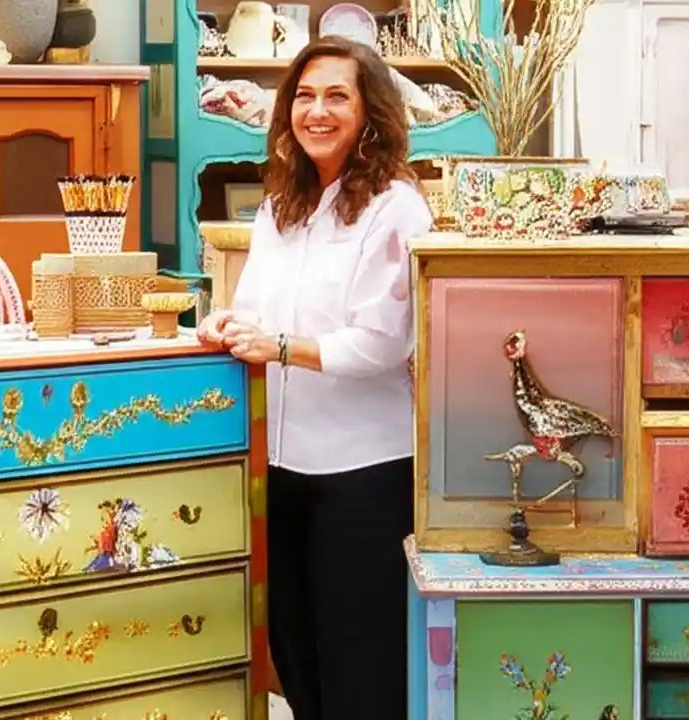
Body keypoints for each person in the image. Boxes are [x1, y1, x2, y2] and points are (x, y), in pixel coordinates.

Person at [196, 36, 432, 719]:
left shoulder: (395, 207)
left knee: (363, 670)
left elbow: (382, 343)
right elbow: (255, 311)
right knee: (298, 663)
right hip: (285, 471)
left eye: (337, 96)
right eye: (304, 95)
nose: (317, 111)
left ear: (371, 113)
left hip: (366, 476)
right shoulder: (281, 207)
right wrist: (224, 326)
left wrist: (279, 345)